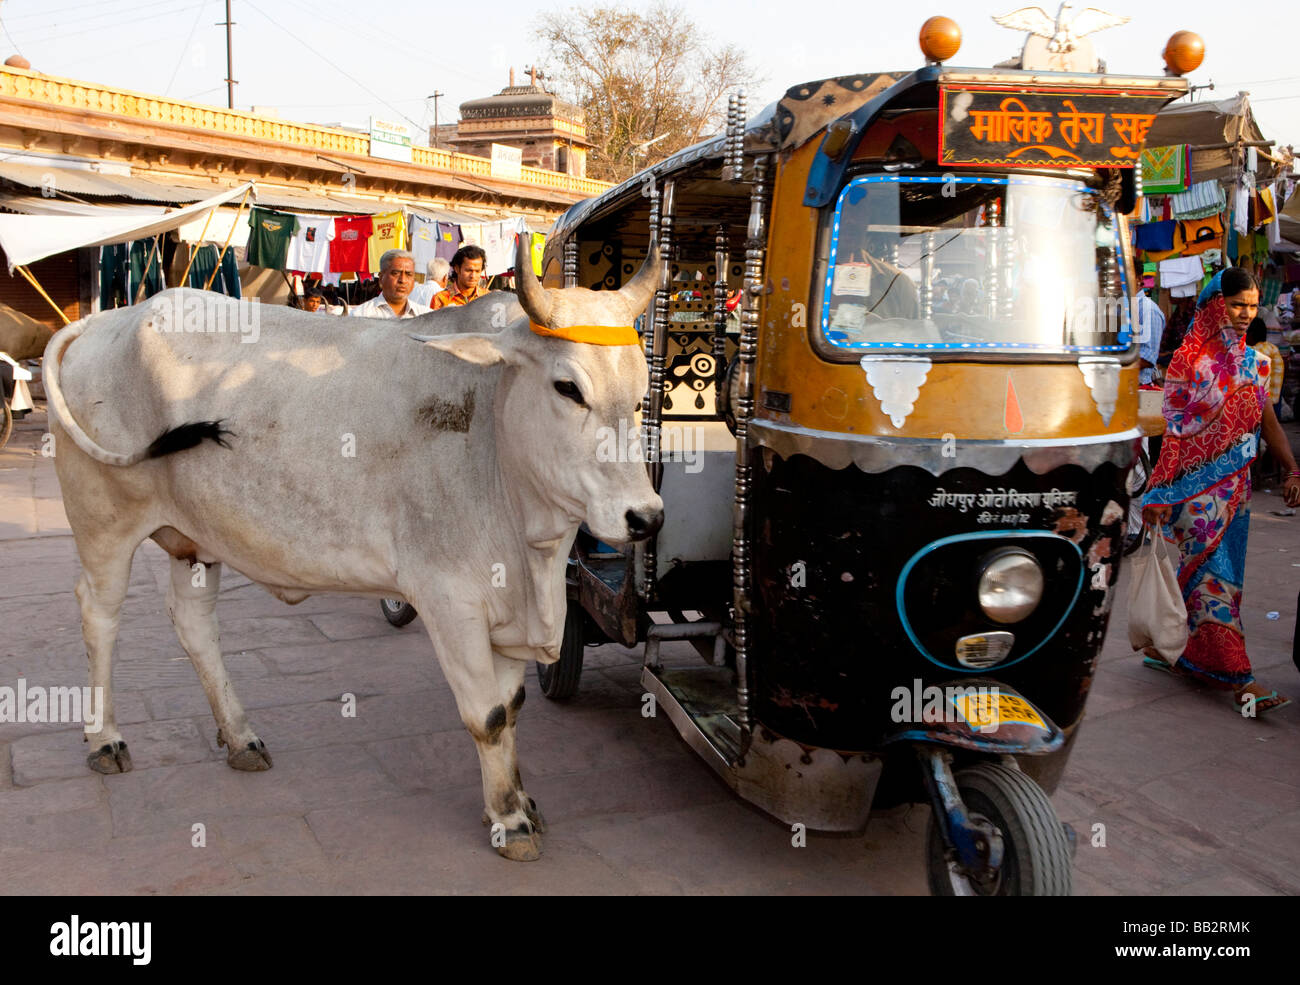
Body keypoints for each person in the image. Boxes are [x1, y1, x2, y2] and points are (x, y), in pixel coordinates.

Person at [1141, 267, 1300, 715]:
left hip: (1237, 492)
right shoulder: (1188, 363)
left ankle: (1183, 652)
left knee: (1225, 580)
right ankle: (1242, 682)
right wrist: (1157, 494)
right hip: (1195, 498)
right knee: (1215, 580)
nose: (1246, 314)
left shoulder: (1256, 363)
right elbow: (1173, 435)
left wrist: (1291, 469)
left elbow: (1268, 423)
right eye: (1237, 305)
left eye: (1251, 306)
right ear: (1215, 304)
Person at [350, 250, 429, 319]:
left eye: (408, 274)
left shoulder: (426, 316)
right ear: (381, 279)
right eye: (396, 273)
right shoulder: (361, 315)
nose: (403, 280)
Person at [1245, 317, 1284, 418]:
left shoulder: (1254, 351)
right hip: (1274, 399)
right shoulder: (1272, 347)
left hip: (1262, 403)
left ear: (1251, 334)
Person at [431, 245, 488, 310]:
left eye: (477, 271)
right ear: (457, 269)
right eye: (468, 270)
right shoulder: (440, 299)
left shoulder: (487, 297)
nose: (473, 276)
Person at [1136, 290, 1165, 386]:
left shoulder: (1148, 310)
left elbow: (1147, 358)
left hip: (1139, 386)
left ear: (1139, 279)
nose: (1115, 279)